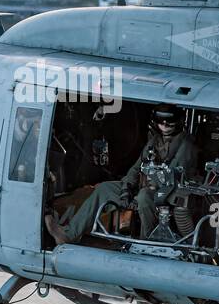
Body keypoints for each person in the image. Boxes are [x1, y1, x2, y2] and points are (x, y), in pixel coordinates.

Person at [46, 105, 198, 245]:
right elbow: (136, 167)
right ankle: (70, 234)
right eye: (161, 122)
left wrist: (149, 186)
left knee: (144, 196)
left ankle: (146, 243)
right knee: (104, 189)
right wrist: (126, 187)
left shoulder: (186, 144)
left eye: (169, 123)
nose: (164, 126)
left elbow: (173, 175)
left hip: (167, 192)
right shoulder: (154, 141)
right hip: (143, 186)